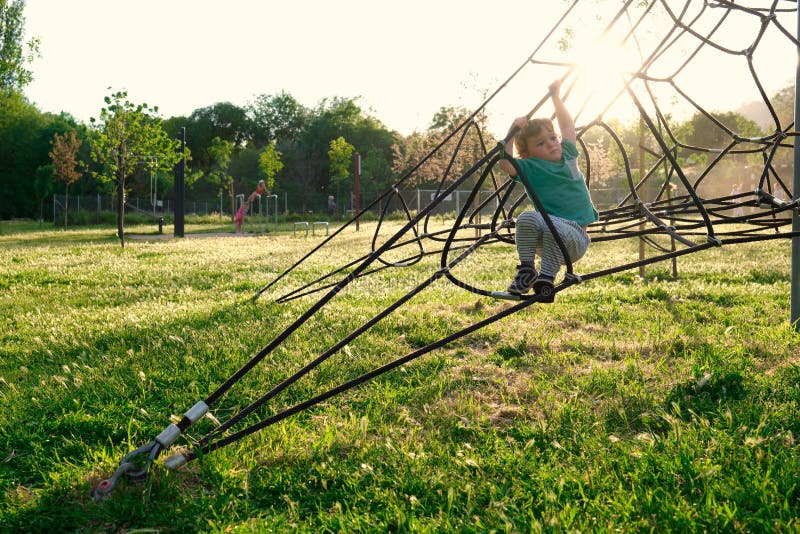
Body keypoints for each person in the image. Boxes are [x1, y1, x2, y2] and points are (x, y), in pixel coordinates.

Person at [498, 79, 598, 301]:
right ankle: (527, 270)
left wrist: (556, 98)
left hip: (576, 239)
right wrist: (512, 131)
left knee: (554, 226)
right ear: (527, 153)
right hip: (546, 238)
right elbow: (505, 163)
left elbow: (567, 127)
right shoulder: (530, 167)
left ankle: (546, 279)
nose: (552, 144)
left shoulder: (568, 155)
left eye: (552, 138)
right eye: (541, 143)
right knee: (525, 218)